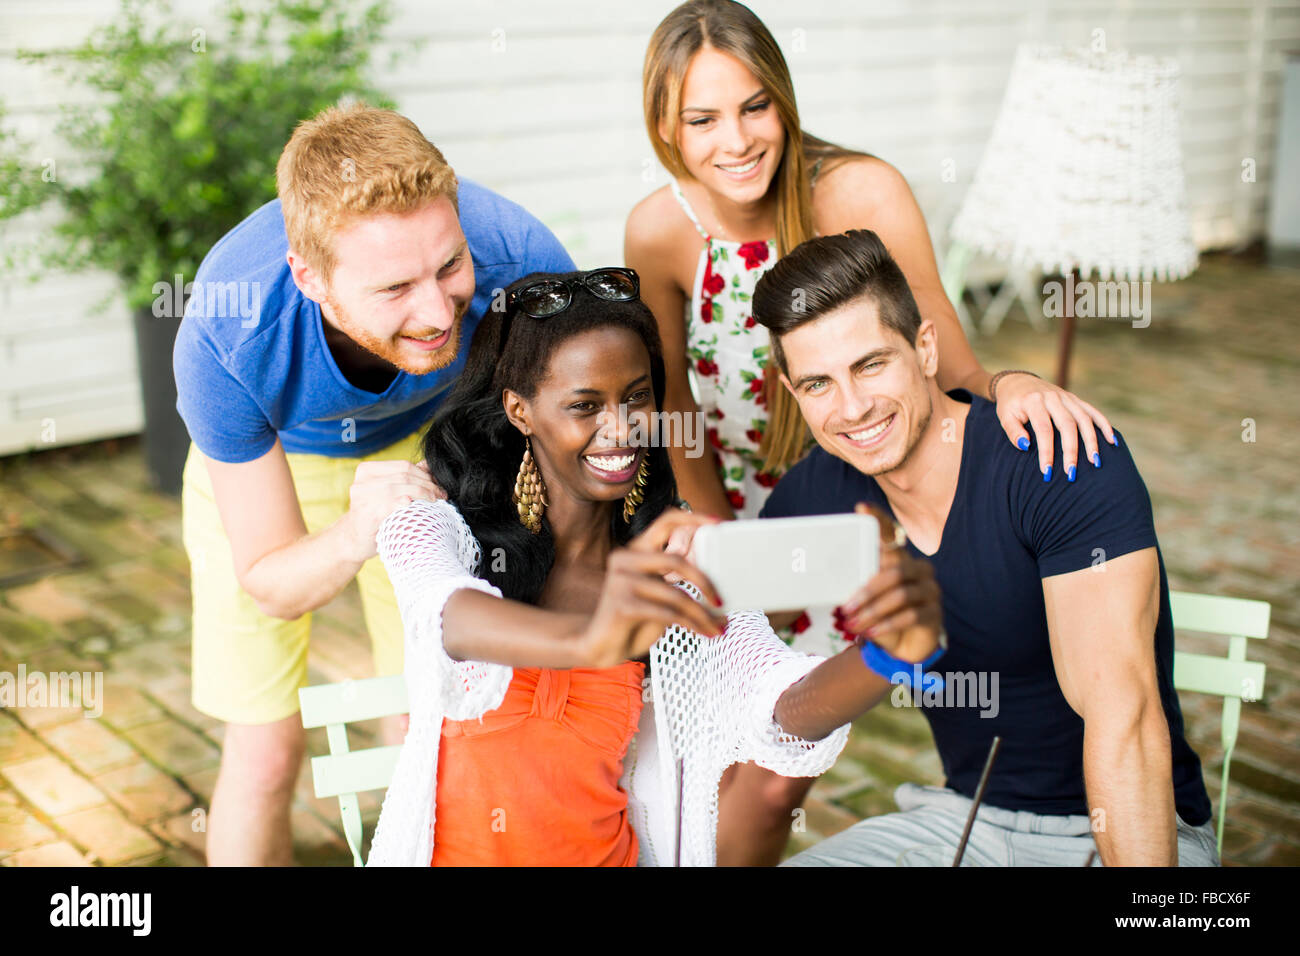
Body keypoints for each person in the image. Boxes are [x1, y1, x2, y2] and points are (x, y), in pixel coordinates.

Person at [624, 0, 1120, 865]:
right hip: (735, 509)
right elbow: (677, 417)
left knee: (783, 770)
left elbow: (946, 359)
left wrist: (1018, 384)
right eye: (700, 119)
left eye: (754, 107)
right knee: (733, 755)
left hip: (850, 494)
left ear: (782, 98)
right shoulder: (659, 230)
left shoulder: (857, 191)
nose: (734, 140)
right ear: (666, 127)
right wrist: (720, 550)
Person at [364, 267, 944, 866]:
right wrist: (595, 637)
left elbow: (779, 703)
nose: (620, 430)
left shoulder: (675, 563)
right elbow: (443, 616)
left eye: (636, 397)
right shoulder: (439, 523)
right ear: (520, 410)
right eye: (585, 405)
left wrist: (887, 656)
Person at [172, 103, 576, 866]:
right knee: (262, 748)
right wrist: (360, 530)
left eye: (449, 267)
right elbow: (272, 584)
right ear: (310, 277)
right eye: (394, 288)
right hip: (273, 461)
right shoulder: (228, 336)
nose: (436, 311)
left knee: (434, 722)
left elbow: (579, 425)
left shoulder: (518, 255)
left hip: (429, 449)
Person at [749, 228, 1216, 866]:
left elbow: (1124, 720)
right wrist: (884, 661)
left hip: (1129, 829)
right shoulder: (817, 492)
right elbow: (733, 671)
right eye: (818, 384)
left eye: (870, 364)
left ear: (925, 347)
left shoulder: (1060, 460)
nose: (852, 408)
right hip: (957, 823)